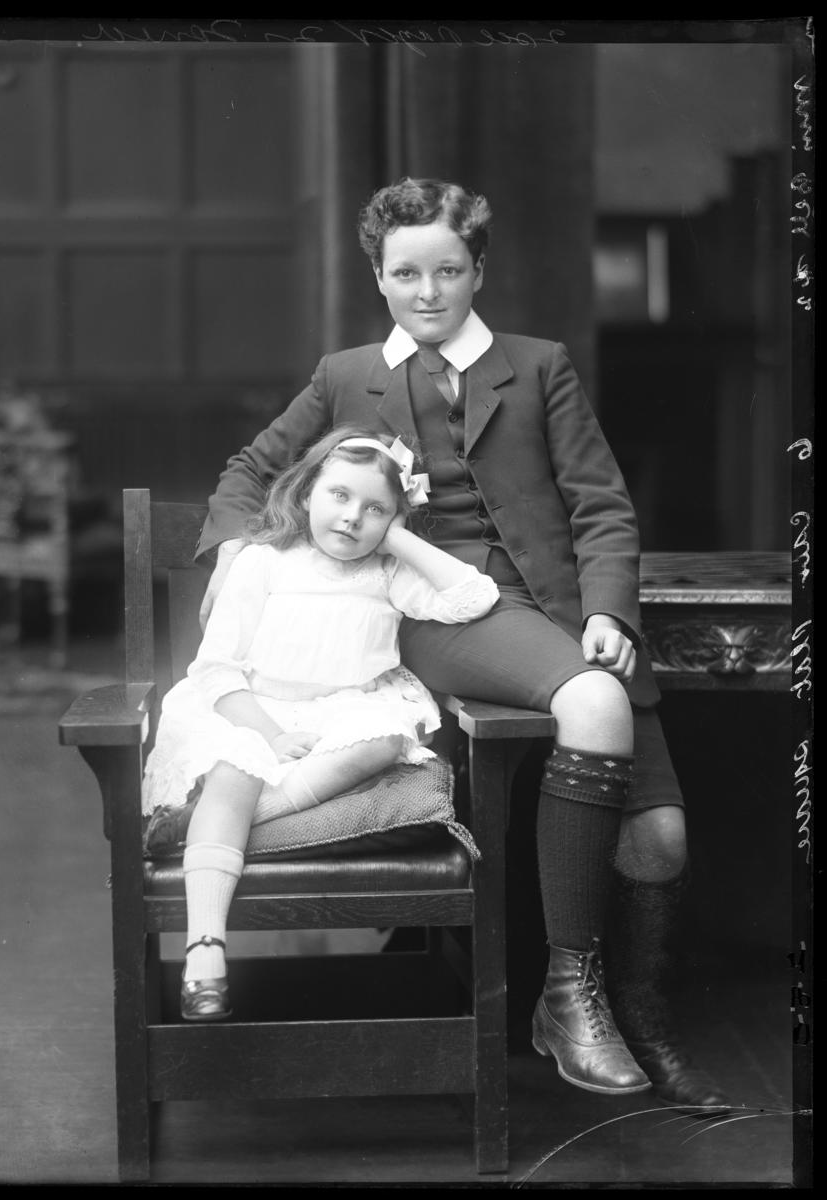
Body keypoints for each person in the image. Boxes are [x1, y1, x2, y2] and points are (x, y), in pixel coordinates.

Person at [195, 177, 730, 1111]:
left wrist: (607, 608)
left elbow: (599, 504)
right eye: (406, 273)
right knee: (592, 704)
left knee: (660, 839)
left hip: (556, 610)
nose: (428, 292)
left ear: (477, 269)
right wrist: (242, 552)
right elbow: (252, 472)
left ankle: (639, 1020)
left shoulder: (538, 365)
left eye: (448, 270)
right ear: (379, 275)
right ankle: (569, 1001)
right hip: (443, 615)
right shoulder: (345, 374)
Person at [142, 423, 500, 1022]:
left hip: (344, 708)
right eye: (339, 496)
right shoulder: (264, 562)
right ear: (308, 491)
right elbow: (216, 669)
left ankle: (201, 830)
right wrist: (272, 735)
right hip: (251, 707)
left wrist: (401, 542)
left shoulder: (385, 572)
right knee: (238, 766)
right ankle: (205, 947)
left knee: (387, 736)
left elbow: (474, 597)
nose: (353, 518)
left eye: (375, 510)